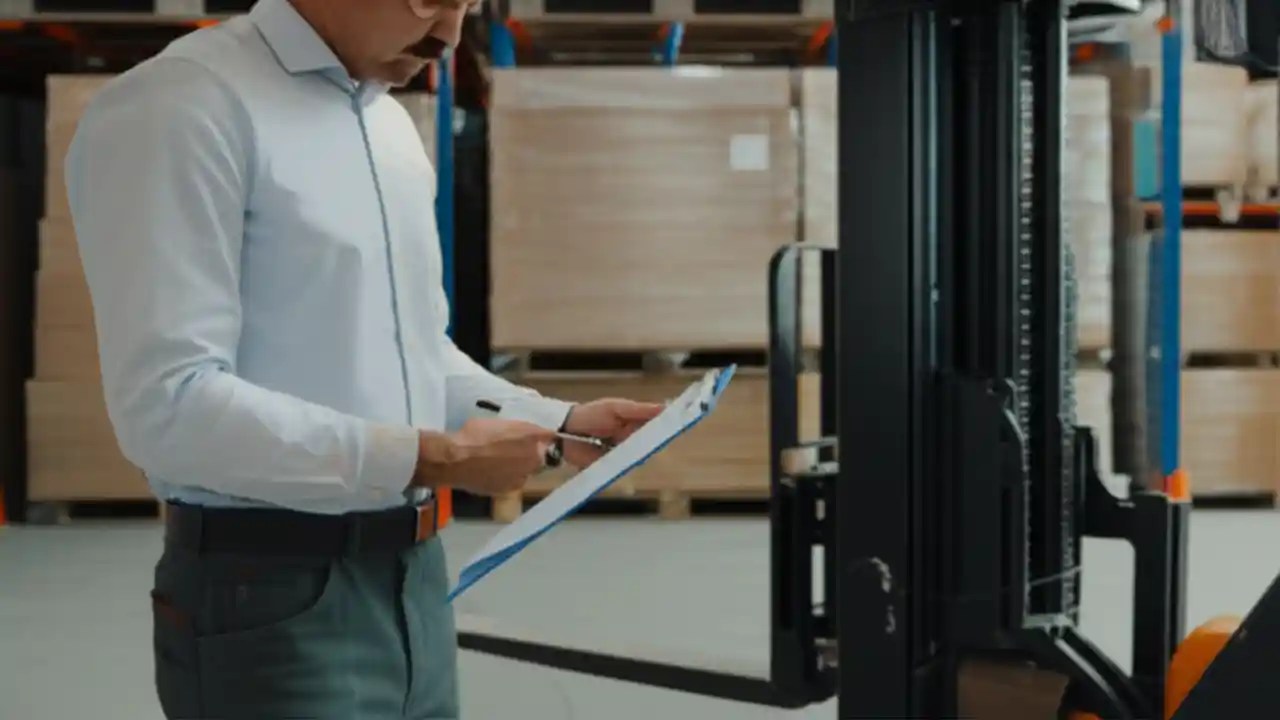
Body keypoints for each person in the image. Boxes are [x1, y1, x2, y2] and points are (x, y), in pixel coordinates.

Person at [65, 0, 664, 717]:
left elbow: (414, 353)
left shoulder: (386, 126)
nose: (448, 33)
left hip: (413, 578)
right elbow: (168, 405)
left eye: (465, 3)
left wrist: (559, 421)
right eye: (428, 0)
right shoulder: (184, 106)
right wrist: (433, 460)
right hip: (269, 592)